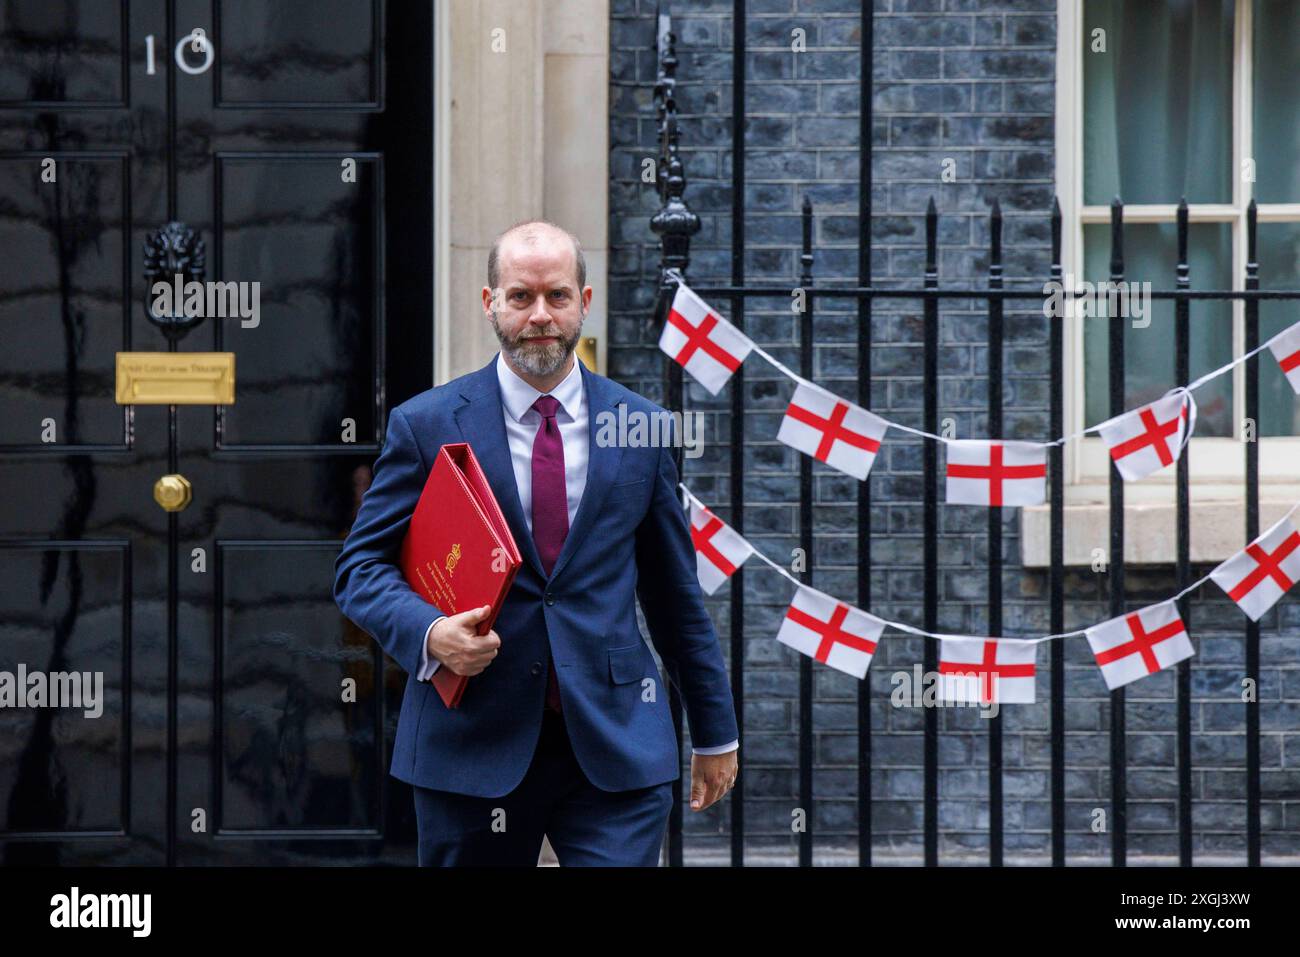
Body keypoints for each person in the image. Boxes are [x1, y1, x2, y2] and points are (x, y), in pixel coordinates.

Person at [333, 220, 739, 866]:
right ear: (491, 302)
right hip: (470, 746)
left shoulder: (642, 429)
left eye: (557, 296)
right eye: (521, 297)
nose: (541, 315)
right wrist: (431, 634)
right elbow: (359, 567)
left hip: (613, 748)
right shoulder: (425, 424)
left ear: (585, 301)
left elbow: (673, 594)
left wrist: (715, 729)